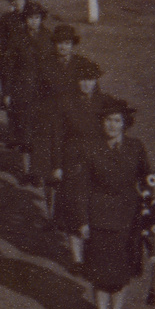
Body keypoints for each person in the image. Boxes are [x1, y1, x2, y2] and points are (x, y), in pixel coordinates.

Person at [71, 100, 152, 309]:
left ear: (125, 124)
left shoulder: (136, 147)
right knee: (101, 273)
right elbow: (81, 188)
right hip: (100, 219)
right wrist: (83, 221)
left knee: (122, 272)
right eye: (108, 120)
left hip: (129, 219)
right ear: (101, 123)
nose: (112, 125)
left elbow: (147, 177)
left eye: (117, 120)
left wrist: (148, 202)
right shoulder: (90, 148)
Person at [51, 58, 113, 266]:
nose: (87, 84)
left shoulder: (104, 103)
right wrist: (58, 165)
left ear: (96, 81)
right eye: (83, 80)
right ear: (76, 81)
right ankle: (77, 259)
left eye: (91, 80)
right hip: (73, 161)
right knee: (73, 208)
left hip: (98, 162)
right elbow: (58, 135)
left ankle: (93, 253)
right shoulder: (66, 102)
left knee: (96, 207)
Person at [4, 1, 53, 186]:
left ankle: (38, 172)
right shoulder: (17, 38)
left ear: (41, 19)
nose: (34, 22)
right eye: (30, 18)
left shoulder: (48, 37)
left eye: (37, 18)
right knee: (24, 131)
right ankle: (26, 172)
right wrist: (7, 92)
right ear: (25, 19)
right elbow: (8, 67)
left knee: (40, 132)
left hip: (42, 91)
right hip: (22, 90)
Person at [0, 0, 33, 118]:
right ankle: (12, 130)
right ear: (12, 2)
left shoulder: (32, 18)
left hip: (28, 63)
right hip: (11, 63)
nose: (18, 2)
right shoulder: (6, 19)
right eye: (15, 0)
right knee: (10, 96)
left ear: (26, 0)